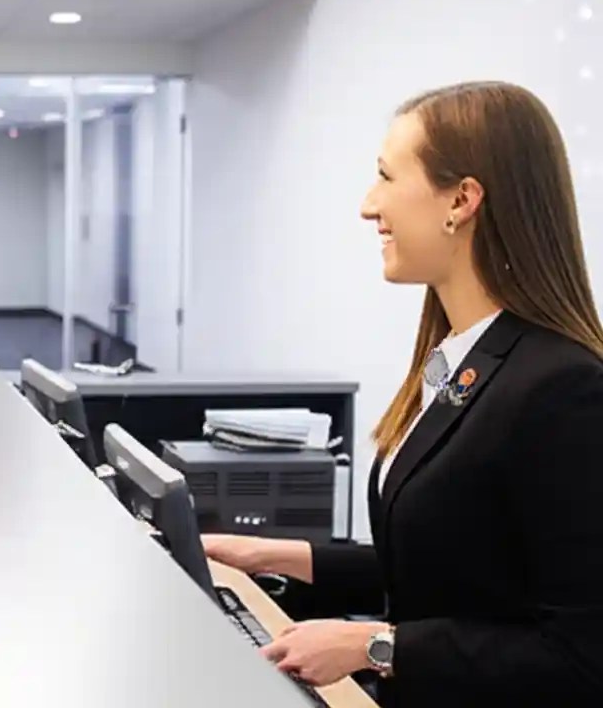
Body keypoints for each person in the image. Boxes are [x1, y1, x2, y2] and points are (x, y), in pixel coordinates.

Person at [203, 81, 603, 707]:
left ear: (462, 200)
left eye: (387, 177)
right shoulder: (462, 361)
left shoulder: (563, 388)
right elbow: (449, 568)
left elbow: (583, 657)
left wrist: (376, 647)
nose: (369, 205)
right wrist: (272, 554)